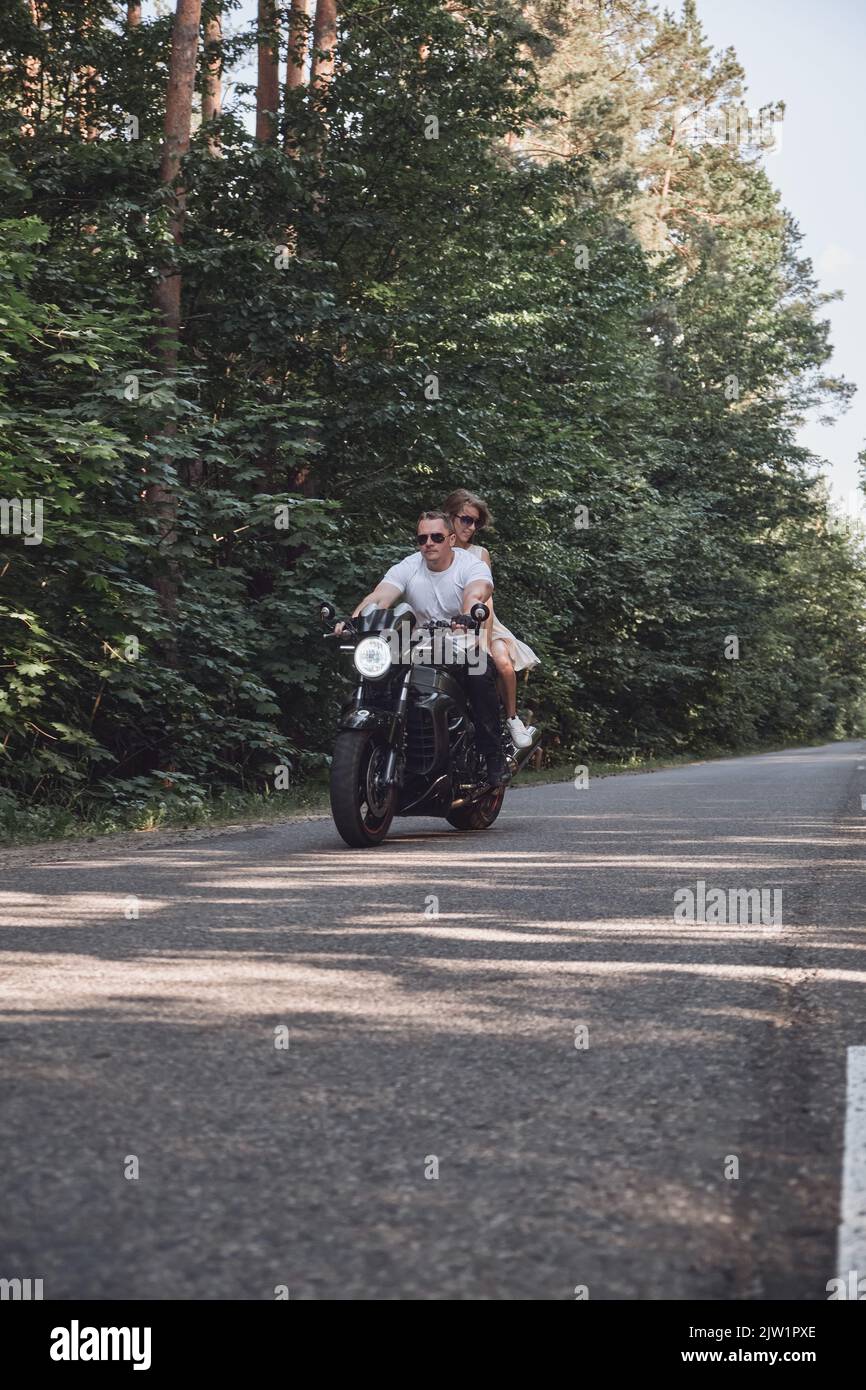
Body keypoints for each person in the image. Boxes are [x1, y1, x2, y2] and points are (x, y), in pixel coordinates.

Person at [339, 511, 511, 787]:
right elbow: (380, 596)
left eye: (436, 537)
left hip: (461, 644)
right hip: (417, 645)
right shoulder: (409, 566)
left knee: (480, 672)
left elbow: (476, 592)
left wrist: (467, 614)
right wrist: (354, 619)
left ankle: (493, 755)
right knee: (380, 677)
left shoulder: (471, 565)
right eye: (422, 538)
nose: (428, 543)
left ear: (451, 539)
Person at [442, 488, 538, 750]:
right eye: (465, 519)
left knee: (502, 662)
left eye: (475, 522)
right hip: (444, 627)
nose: (470, 527)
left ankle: (512, 718)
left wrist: (481, 638)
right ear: (450, 517)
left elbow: (485, 597)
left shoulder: (479, 554)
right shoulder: (436, 550)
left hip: (482, 624)